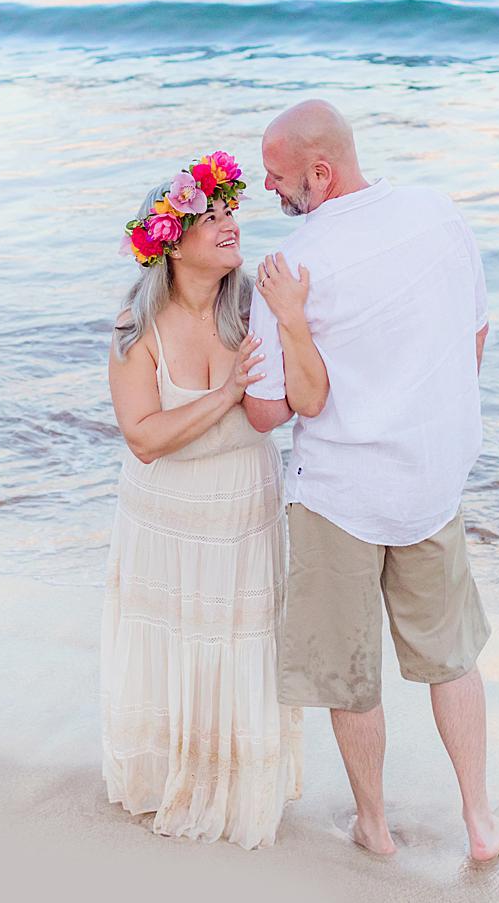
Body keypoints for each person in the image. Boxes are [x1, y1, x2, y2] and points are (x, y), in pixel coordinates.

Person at [244, 101, 499, 862]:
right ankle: (479, 820)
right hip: (430, 481)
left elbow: (272, 409)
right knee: (452, 654)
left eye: (276, 175)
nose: (268, 188)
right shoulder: (439, 215)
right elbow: (476, 335)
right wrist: (423, 422)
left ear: (319, 172)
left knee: (349, 668)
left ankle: (375, 824)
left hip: (341, 495)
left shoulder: (290, 268)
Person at [100, 149, 319, 849]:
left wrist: (296, 323)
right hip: (164, 512)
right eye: (212, 214)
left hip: (241, 504)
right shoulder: (135, 328)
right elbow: (143, 436)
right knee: (171, 637)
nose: (231, 224)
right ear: (171, 242)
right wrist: (225, 394)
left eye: (232, 211)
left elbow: (298, 398)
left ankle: (235, 784)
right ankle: (171, 774)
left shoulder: (255, 306)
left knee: (238, 643)